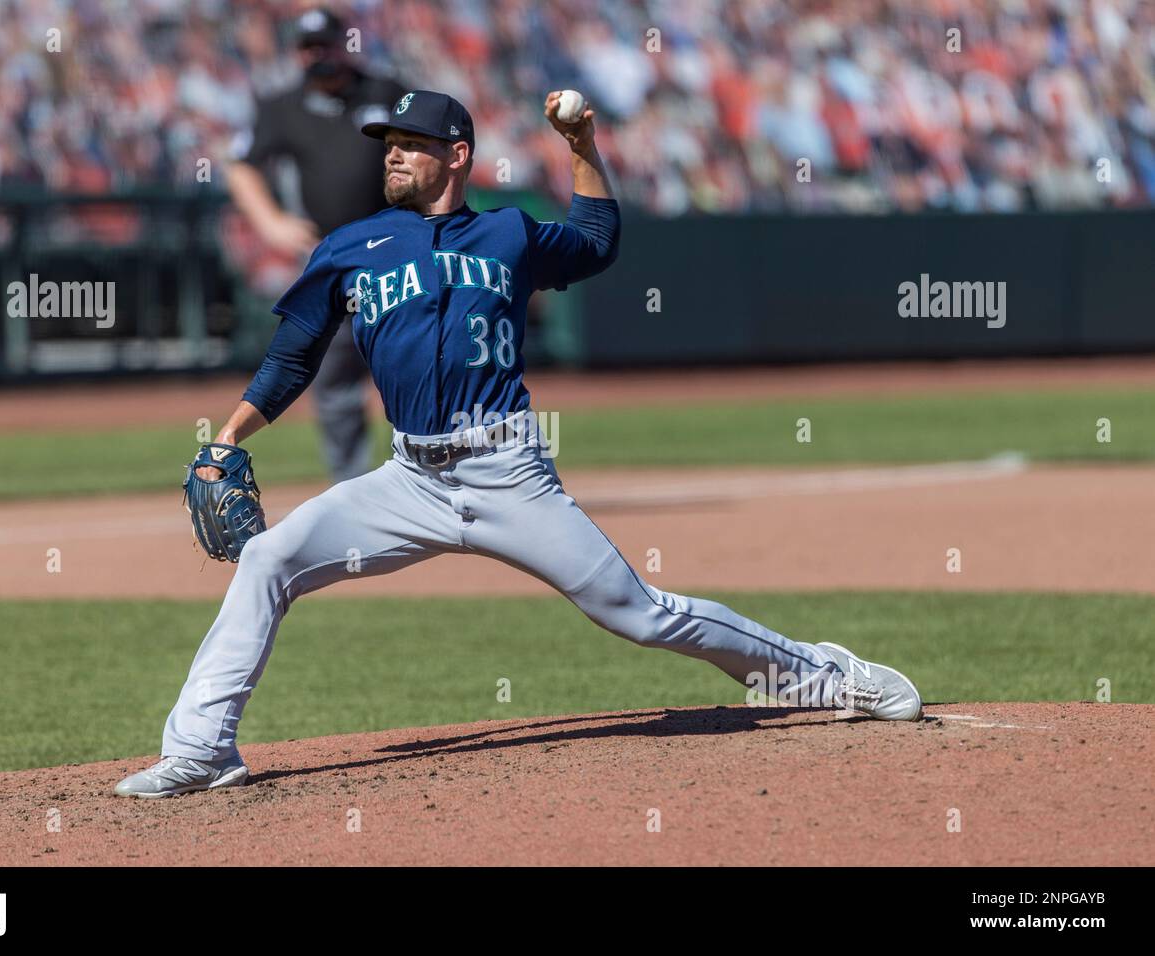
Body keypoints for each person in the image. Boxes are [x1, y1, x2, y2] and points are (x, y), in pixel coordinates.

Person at [115, 89, 923, 798]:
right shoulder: (352, 248)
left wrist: (582, 150)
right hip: (408, 481)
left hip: (507, 473)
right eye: (388, 147)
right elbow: (292, 358)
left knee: (640, 616)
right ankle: (199, 751)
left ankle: (827, 677)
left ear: (456, 155)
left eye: (410, 146)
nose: (393, 157)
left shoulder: (509, 234)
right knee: (268, 561)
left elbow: (598, 241)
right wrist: (227, 437)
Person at [227, 7, 407, 482]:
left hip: (398, 252)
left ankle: (428, 472)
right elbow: (241, 165)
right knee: (335, 379)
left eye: (325, 45)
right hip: (333, 262)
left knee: (412, 362)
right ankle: (353, 484)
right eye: (307, 48)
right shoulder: (282, 106)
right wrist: (270, 223)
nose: (317, 56)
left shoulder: (386, 92)